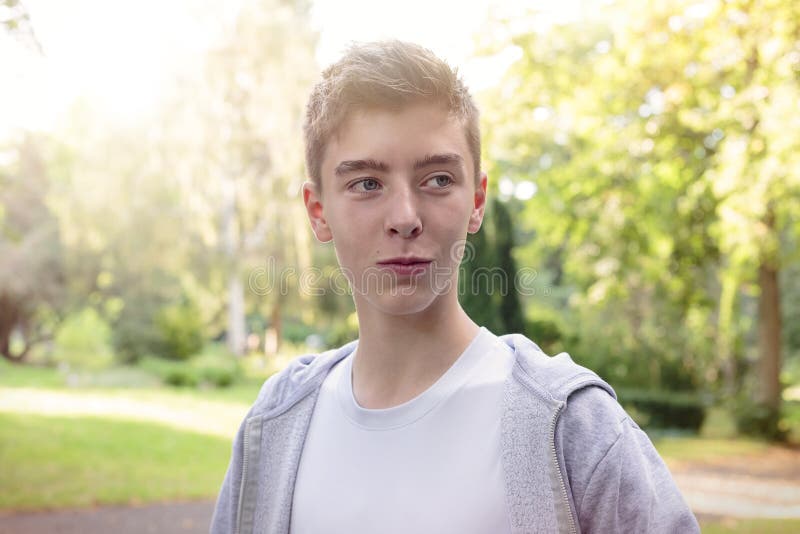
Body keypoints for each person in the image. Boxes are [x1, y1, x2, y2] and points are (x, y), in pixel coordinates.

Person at [210, 39, 700, 534]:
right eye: (366, 184)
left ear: (478, 200)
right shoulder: (273, 427)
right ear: (318, 211)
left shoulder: (575, 429)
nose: (405, 218)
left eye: (438, 179)